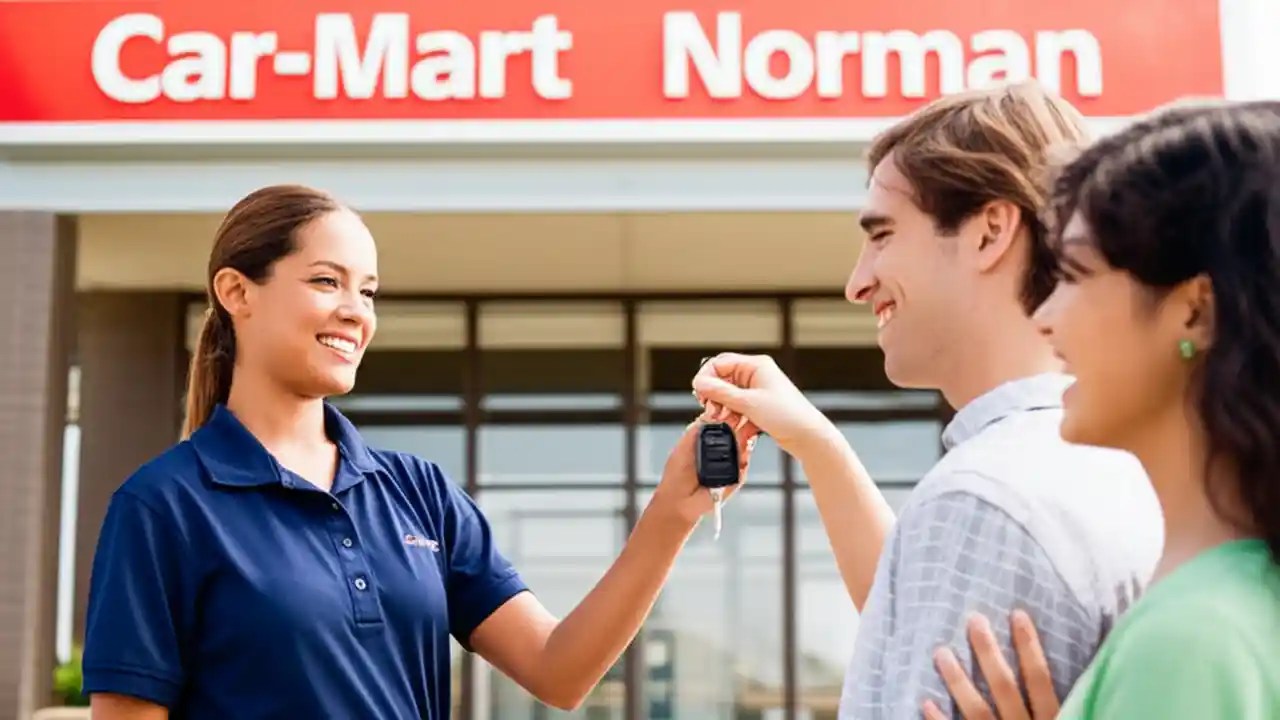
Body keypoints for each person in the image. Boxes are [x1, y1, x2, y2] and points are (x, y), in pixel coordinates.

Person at [80, 184, 756, 719]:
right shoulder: (164, 506)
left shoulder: (417, 492)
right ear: (237, 292)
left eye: (368, 291)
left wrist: (673, 512)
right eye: (326, 281)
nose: (356, 311)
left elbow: (560, 670)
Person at [691, 80, 1164, 718]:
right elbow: (910, 616)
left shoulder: (982, 500)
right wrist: (819, 446)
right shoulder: (1118, 469)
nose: (857, 283)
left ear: (989, 232)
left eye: (882, 235)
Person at [924, 99, 1280, 720]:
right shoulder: (1238, 603)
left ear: (1195, 310)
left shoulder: (1190, 641)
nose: (1044, 317)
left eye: (1074, 274)